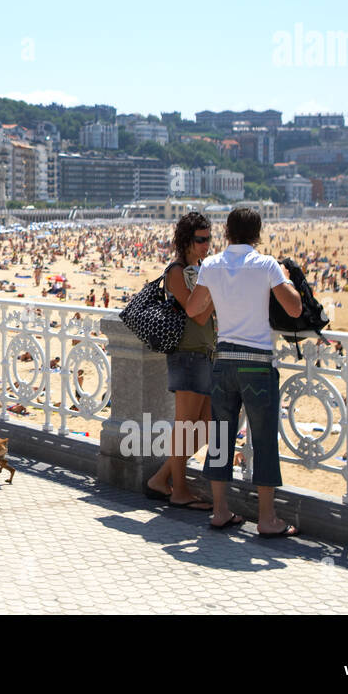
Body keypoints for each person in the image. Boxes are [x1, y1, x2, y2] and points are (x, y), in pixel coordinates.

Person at [185, 207, 302, 537]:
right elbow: (294, 308)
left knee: (220, 436)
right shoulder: (265, 265)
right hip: (256, 362)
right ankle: (267, 518)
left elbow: (194, 309)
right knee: (263, 440)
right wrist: (286, 278)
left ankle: (220, 510)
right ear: (257, 233)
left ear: (227, 232)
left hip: (224, 360)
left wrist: (221, 300)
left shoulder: (211, 265)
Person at [145, 212, 216, 510]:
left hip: (204, 353)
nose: (206, 245)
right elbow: (196, 314)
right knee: (186, 426)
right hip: (187, 354)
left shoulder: (200, 269)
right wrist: (216, 286)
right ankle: (179, 491)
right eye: (201, 240)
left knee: (209, 424)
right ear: (187, 240)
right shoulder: (177, 271)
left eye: (209, 239)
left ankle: (161, 479)